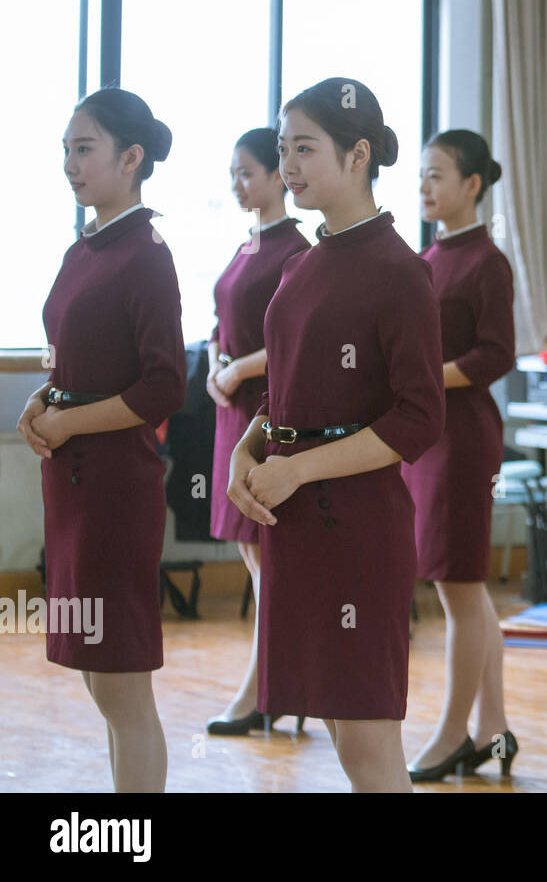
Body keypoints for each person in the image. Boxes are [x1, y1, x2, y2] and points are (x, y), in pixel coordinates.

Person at [226, 77, 444, 792]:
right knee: (339, 727)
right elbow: (284, 389)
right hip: (295, 520)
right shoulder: (302, 263)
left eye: (304, 149)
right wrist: (246, 449)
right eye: (284, 149)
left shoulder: (399, 271)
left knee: (367, 733)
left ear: (357, 156)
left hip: (355, 526)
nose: (288, 165)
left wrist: (298, 469)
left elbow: (418, 417)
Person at [16, 87, 186, 791]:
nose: (69, 164)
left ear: (131, 157)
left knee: (121, 687)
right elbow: (72, 355)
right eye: (65, 149)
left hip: (115, 485)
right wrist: (41, 400)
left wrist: (68, 420)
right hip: (73, 480)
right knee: (96, 677)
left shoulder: (147, 252)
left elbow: (162, 386)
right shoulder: (85, 246)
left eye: (83, 149)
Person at [403, 129, 518, 781]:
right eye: (421, 174)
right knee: (464, 593)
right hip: (427, 436)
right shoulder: (425, 259)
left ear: (472, 185)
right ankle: (493, 729)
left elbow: (496, 354)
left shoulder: (487, 262)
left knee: (461, 587)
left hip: (464, 436)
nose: (424, 186)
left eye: (436, 175)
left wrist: (425, 375)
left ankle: (452, 734)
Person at [206, 127, 310, 736]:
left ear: (277, 176)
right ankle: (277, 683)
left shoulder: (294, 248)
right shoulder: (247, 245)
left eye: (248, 172)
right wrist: (221, 364)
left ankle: (265, 688)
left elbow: (295, 341)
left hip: (264, 409)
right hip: (231, 405)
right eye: (233, 174)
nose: (239, 184)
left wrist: (239, 367)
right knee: (252, 556)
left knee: (266, 557)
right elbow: (225, 319)